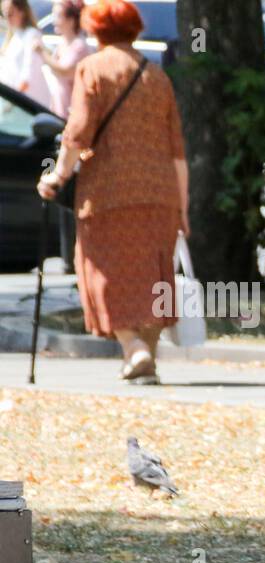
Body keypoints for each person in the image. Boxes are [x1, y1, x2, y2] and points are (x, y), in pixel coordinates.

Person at [36, 0, 189, 384]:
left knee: (105, 272)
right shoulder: (158, 77)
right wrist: (182, 208)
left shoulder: (93, 69)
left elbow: (77, 133)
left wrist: (57, 175)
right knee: (154, 276)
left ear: (95, 29)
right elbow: (178, 153)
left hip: (107, 194)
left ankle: (134, 348)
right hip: (160, 194)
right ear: (134, 29)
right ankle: (145, 360)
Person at [38, 1, 91, 118]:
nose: (53, 21)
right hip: (58, 108)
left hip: (71, 112)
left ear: (71, 20)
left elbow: (63, 71)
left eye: (58, 16)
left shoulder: (79, 47)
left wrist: (42, 53)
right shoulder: (62, 44)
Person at [0, 0, 51, 108]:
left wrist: (14, 100)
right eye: (5, 14)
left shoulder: (31, 35)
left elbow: (28, 74)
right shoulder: (14, 36)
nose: (7, 18)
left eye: (10, 13)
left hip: (28, 102)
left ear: (22, 11)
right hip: (15, 101)